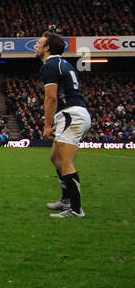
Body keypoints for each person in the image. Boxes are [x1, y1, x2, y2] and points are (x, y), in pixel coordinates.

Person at [36, 32, 91, 218]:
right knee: (56, 158)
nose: (36, 44)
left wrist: (47, 125)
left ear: (47, 48)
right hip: (73, 114)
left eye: (40, 42)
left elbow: (50, 98)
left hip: (71, 115)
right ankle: (66, 200)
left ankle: (76, 209)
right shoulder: (63, 64)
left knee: (66, 163)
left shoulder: (50, 64)